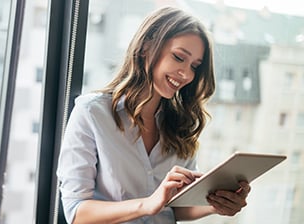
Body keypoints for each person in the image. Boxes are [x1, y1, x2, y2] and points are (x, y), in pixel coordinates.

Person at [57, 6, 251, 224]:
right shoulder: (92, 113)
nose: (187, 74)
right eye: (179, 57)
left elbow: (177, 207)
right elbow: (76, 212)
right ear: (146, 47)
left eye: (194, 66)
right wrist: (147, 204)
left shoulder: (181, 125)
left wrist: (215, 205)